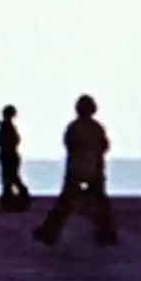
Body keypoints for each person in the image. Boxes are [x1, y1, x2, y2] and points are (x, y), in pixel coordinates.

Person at [32, 94, 118, 246]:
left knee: (67, 202)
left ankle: (50, 232)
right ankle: (105, 233)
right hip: (92, 167)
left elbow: (70, 145)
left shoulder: (75, 127)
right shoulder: (96, 127)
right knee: (99, 202)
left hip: (77, 167)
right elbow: (104, 146)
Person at [0, 104, 31, 212]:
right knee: (9, 179)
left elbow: (11, 140)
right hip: (8, 155)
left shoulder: (8, 127)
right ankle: (11, 201)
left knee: (11, 178)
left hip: (9, 156)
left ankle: (16, 200)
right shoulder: (7, 127)